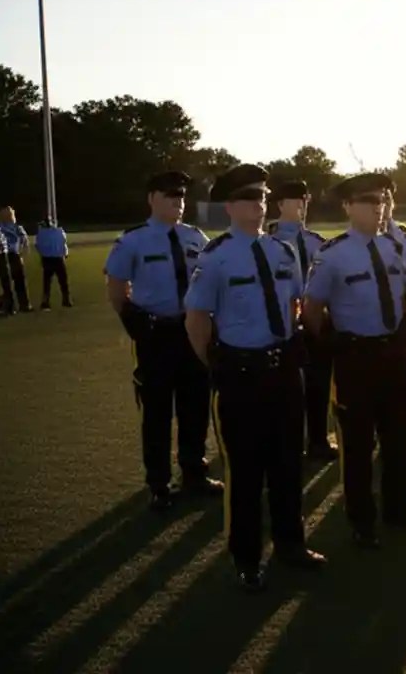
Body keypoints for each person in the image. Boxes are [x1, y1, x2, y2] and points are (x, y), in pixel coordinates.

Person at [185, 164, 325, 592]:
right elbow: (196, 318)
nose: (259, 204)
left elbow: (295, 304)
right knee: (245, 473)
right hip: (241, 375)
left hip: (283, 371)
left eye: (263, 197)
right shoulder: (215, 257)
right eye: (249, 197)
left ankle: (290, 543)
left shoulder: (283, 252)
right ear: (229, 206)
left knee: (287, 464)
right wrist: (216, 365)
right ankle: (246, 557)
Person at [303, 173, 406, 547]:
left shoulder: (394, 248)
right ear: (347, 207)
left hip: (395, 356)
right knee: (357, 446)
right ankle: (362, 521)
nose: (380, 207)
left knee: (399, 439)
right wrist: (332, 342)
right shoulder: (332, 254)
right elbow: (312, 309)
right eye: (370, 201)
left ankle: (396, 510)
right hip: (357, 360)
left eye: (385, 200)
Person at [105, 172, 221, 511]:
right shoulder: (133, 241)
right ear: (151, 198)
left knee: (195, 406)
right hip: (157, 335)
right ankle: (158, 483)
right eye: (171, 195)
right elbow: (116, 289)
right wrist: (134, 323)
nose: (178, 201)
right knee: (156, 412)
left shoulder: (195, 237)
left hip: (193, 331)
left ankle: (194, 473)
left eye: (182, 195)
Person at [266, 180, 338, 461]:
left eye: (305, 201)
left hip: (315, 324)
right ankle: (287, 444)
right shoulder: (268, 244)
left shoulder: (318, 243)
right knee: (285, 391)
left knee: (319, 385)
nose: (302, 206)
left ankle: (318, 440)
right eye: (296, 201)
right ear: (280, 205)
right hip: (283, 327)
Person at [0, 207, 32, 313]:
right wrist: (22, 254)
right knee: (20, 281)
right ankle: (24, 305)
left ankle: (9, 306)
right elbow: (24, 242)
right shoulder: (18, 228)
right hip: (15, 255)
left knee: (6, 283)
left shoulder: (0, 228)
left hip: (2, 256)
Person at [34, 218, 72, 309]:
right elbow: (63, 243)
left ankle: (45, 302)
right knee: (63, 281)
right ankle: (66, 300)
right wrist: (65, 253)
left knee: (47, 282)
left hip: (47, 259)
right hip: (58, 258)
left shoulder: (41, 233)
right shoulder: (59, 231)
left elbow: (38, 246)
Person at [0, 221, 11, 316]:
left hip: (1, 256)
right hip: (1, 255)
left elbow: (1, 245)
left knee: (4, 282)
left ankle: (7, 306)